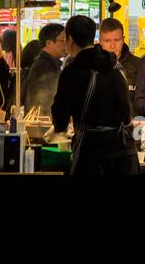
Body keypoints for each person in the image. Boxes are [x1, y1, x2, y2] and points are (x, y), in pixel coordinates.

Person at [50, 15, 138, 176]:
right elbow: (126, 114)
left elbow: (60, 122)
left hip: (92, 157)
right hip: (125, 156)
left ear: (70, 40)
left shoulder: (72, 72)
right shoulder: (115, 66)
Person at [20, 22, 67, 114]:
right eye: (63, 40)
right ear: (49, 43)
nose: (66, 44)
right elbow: (47, 101)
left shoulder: (49, 63)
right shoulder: (44, 66)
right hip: (42, 120)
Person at [98, 19, 140, 92]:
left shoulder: (139, 65)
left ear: (123, 40)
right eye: (107, 41)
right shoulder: (90, 67)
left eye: (117, 40)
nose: (112, 46)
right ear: (100, 41)